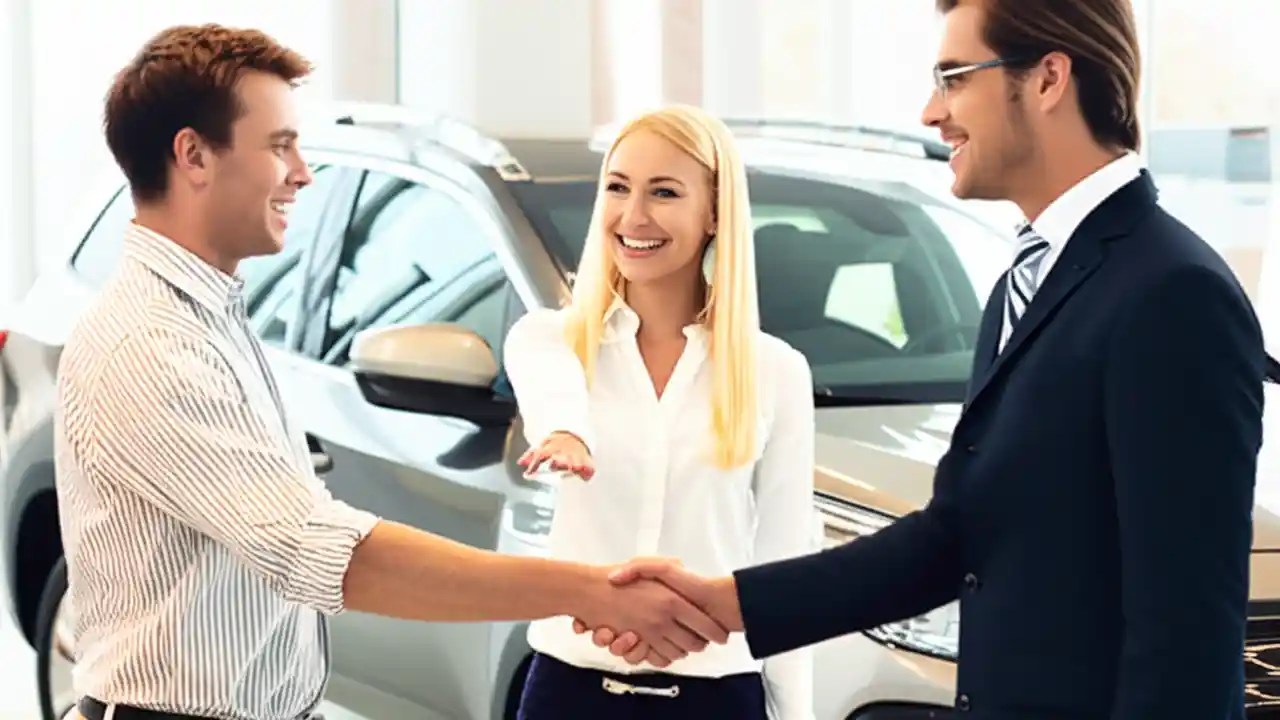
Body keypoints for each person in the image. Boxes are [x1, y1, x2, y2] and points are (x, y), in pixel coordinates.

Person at [585, 1, 1268, 718]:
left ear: (1048, 79)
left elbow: (1186, 630)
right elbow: (961, 534)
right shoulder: (1026, 285)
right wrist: (727, 603)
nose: (930, 112)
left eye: (953, 78)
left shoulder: (1172, 291)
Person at [52, 24, 727, 720]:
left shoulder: (210, 315)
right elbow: (325, 553)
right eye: (279, 145)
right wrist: (589, 591)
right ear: (193, 156)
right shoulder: (151, 344)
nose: (302, 172)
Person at [502, 104, 817, 719]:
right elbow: (553, 396)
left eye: (664, 192)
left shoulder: (775, 371)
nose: (633, 215)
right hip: (570, 693)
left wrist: (794, 713)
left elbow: (783, 568)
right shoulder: (550, 339)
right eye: (617, 187)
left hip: (719, 697)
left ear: (715, 214)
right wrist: (566, 435)